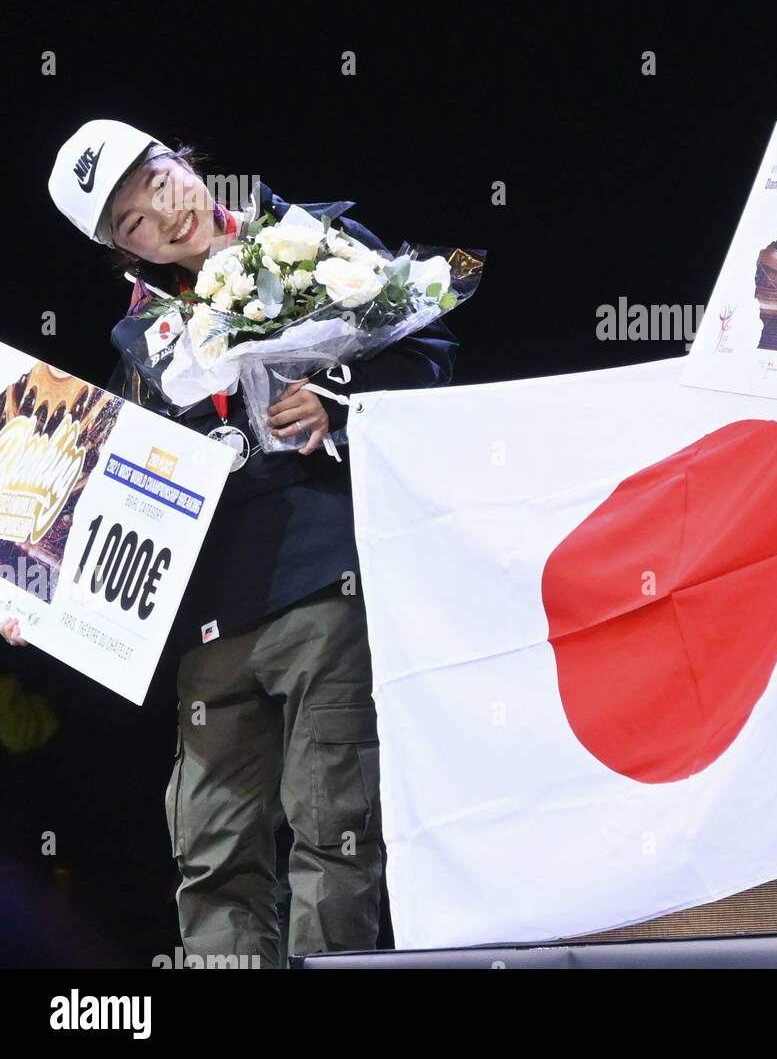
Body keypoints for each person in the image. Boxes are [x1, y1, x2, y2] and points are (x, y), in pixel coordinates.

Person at [4, 118, 457, 966]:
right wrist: (39, 593)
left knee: (335, 831)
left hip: (327, 589)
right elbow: (99, 498)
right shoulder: (140, 347)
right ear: (121, 250)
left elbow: (433, 348)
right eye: (133, 220)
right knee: (212, 849)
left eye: (160, 180)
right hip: (211, 625)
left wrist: (339, 400)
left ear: (185, 159)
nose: (164, 214)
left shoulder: (313, 244)